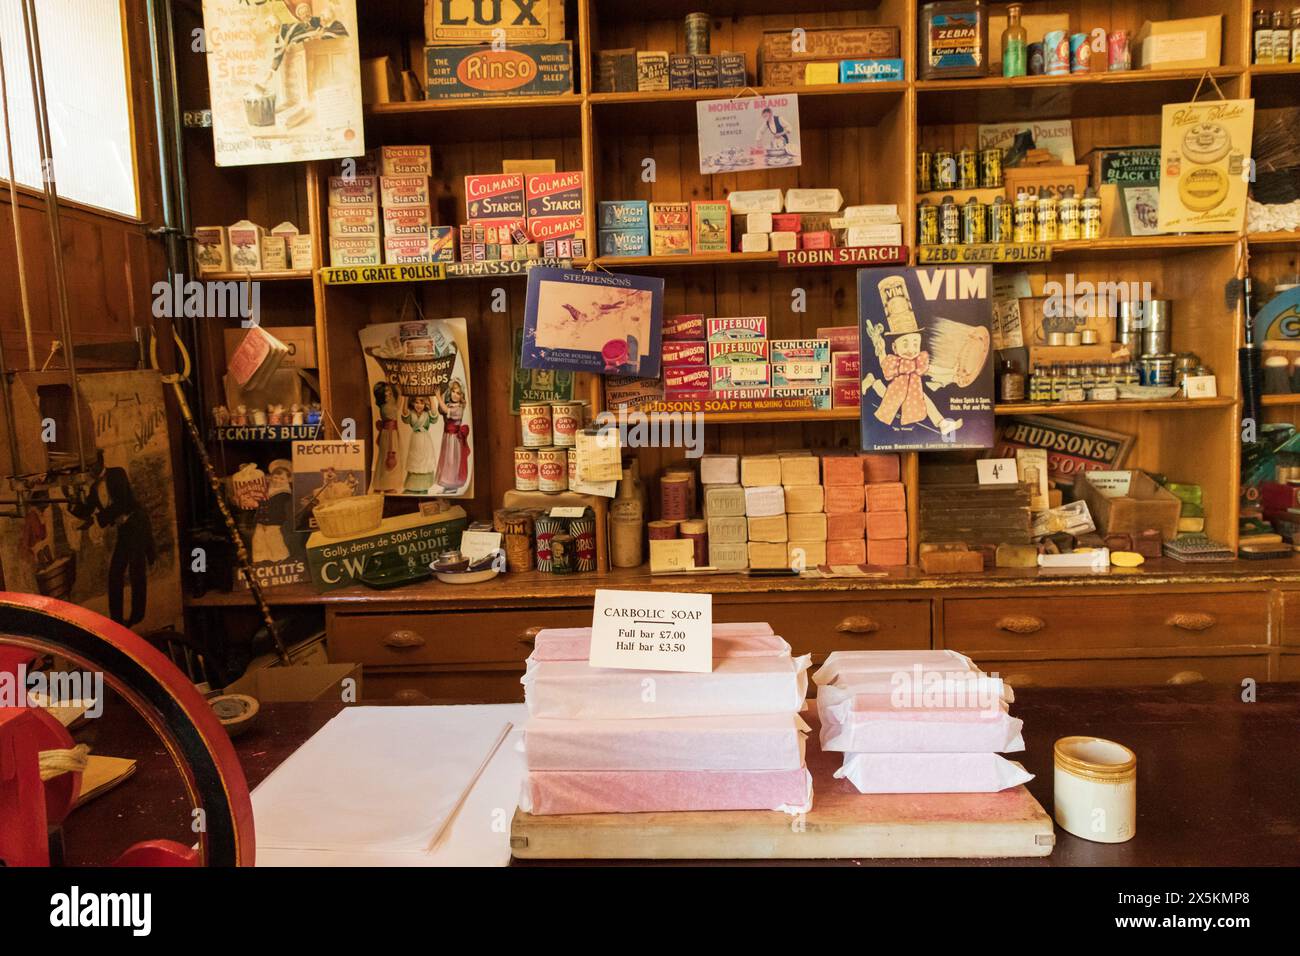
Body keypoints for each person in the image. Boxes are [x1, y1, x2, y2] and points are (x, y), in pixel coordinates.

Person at [67, 451, 156, 628]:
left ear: (100, 462)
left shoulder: (117, 473)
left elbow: (122, 503)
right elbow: (86, 511)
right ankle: (116, 620)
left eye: (91, 466)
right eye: (87, 467)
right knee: (115, 573)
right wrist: (72, 502)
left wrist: (97, 520)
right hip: (124, 530)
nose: (89, 470)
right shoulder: (93, 488)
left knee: (136, 571)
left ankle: (137, 616)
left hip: (137, 524)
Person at [432, 379, 471, 494]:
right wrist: (442, 395)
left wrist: (438, 397)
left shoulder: (459, 408)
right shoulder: (449, 403)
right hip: (447, 437)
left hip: (454, 439)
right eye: (453, 391)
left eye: (458, 393)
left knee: (452, 460)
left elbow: (445, 410)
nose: (455, 394)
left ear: (462, 396)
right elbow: (441, 409)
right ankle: (447, 485)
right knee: (446, 461)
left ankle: (453, 485)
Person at [402, 395, 438, 494]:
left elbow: (434, 415)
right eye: (416, 402)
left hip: (425, 439)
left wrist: (431, 398)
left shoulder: (427, 414)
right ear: (412, 403)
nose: (419, 405)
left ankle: (424, 486)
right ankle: (412, 486)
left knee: (425, 461)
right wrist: (405, 397)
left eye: (422, 403)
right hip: (415, 439)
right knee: (415, 461)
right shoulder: (411, 414)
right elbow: (404, 413)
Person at [372, 380, 403, 492]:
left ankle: (386, 484)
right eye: (386, 391)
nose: (389, 393)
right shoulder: (386, 407)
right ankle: (386, 485)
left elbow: (396, 406)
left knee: (388, 456)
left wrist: (398, 393)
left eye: (389, 390)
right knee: (388, 456)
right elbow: (396, 408)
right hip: (389, 434)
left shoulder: (387, 404)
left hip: (391, 432)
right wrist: (399, 394)